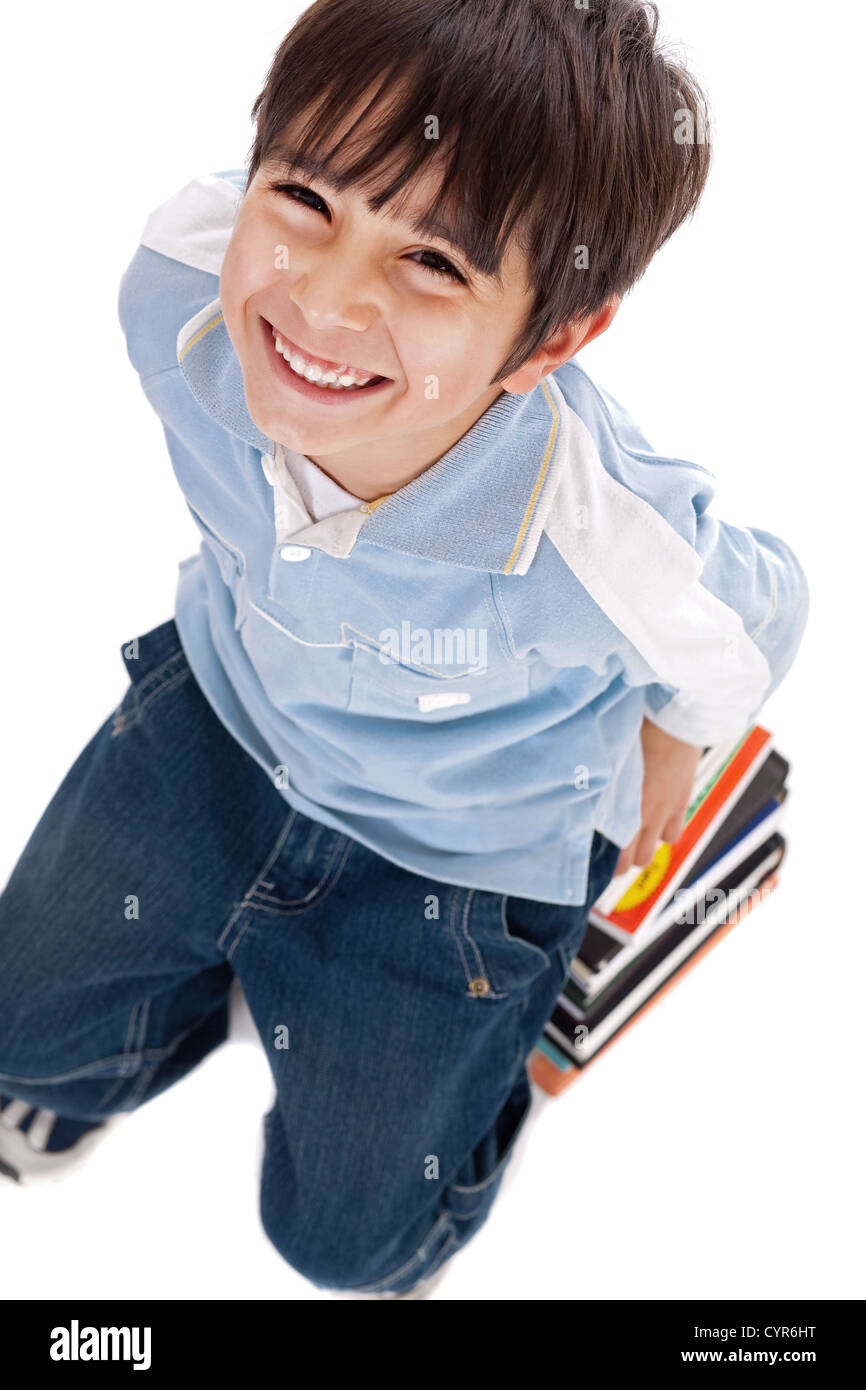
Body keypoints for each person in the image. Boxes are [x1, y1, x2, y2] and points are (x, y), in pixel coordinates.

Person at [0, 0, 809, 1297]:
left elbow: (754, 616)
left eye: (432, 264)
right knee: (18, 1027)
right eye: (307, 199)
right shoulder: (177, 287)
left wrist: (671, 750)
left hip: (459, 851)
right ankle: (186, 997)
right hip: (226, 715)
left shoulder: (600, 533)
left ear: (551, 339)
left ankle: (510, 1032)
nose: (323, 300)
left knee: (346, 1241)